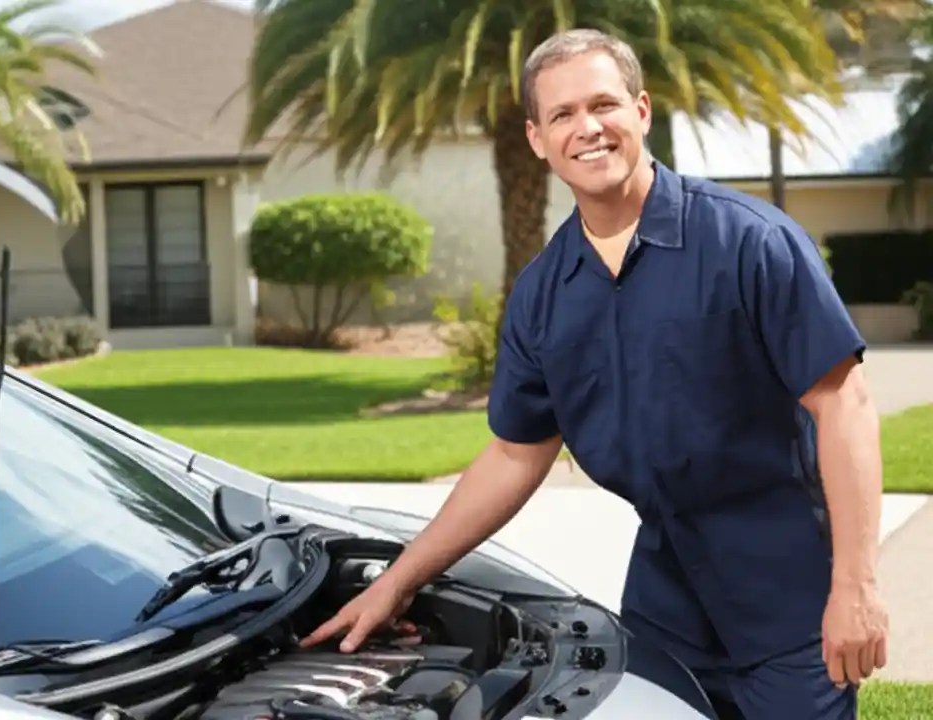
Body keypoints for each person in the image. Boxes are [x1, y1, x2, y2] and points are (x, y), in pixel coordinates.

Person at [297, 28, 889, 720]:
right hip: (665, 609)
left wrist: (856, 585)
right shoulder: (544, 293)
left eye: (603, 105)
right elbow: (517, 453)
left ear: (641, 112)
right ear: (537, 140)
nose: (588, 128)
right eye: (562, 115)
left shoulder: (748, 242)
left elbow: (843, 404)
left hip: (789, 597)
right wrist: (399, 581)